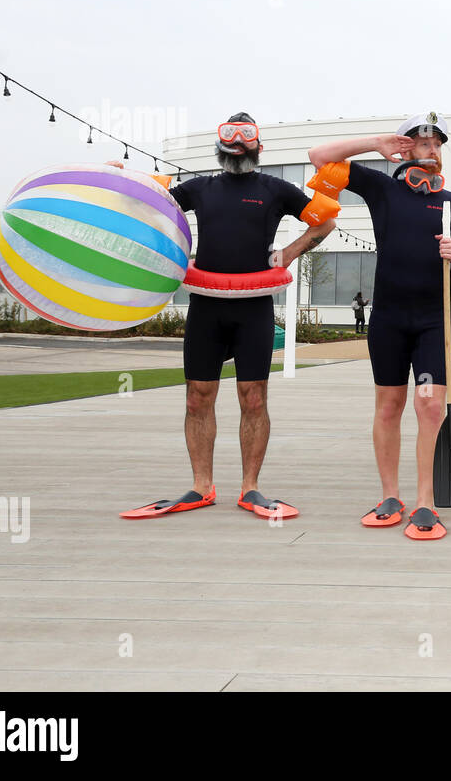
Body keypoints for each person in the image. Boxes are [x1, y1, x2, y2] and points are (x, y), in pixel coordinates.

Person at [119, 112, 337, 521]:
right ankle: (201, 486)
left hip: (254, 306)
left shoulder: (275, 189)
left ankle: (250, 488)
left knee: (252, 397)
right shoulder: (201, 188)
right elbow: (151, 200)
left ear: (258, 145)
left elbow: (324, 221)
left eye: (247, 135)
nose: (238, 143)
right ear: (220, 146)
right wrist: (119, 177)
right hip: (206, 305)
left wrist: (288, 254)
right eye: (231, 136)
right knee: (197, 396)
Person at [307, 113, 451, 540]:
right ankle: (391, 495)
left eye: (438, 144)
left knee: (428, 407)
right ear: (406, 146)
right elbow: (318, 156)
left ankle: (425, 501)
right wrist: (375, 143)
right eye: (425, 142)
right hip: (388, 320)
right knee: (389, 407)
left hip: (433, 325)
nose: (434, 150)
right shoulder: (382, 187)